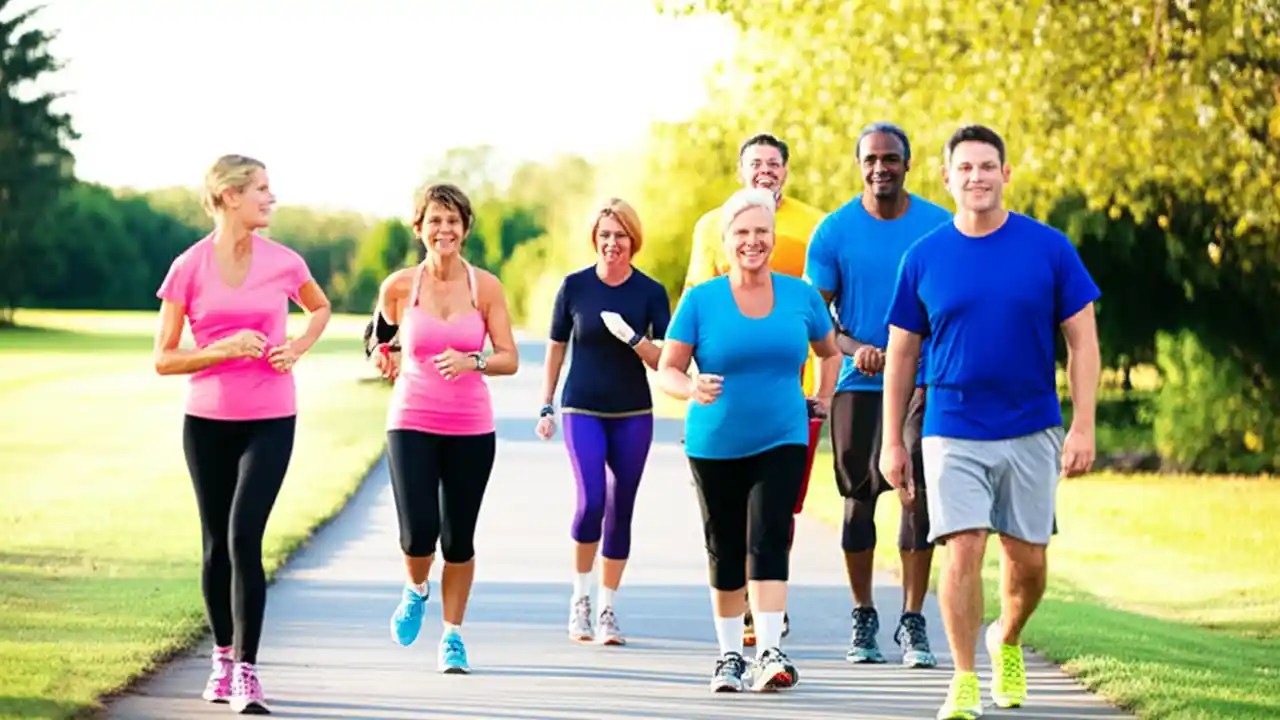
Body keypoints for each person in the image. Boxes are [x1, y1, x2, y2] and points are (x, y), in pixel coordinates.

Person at [880, 125, 1100, 720]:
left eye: (986, 166)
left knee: (1028, 560)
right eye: (965, 168)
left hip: (1032, 426)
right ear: (947, 179)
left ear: (1005, 175)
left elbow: (1082, 340)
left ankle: (1005, 636)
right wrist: (891, 440)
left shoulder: (1049, 248)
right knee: (963, 548)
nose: (975, 177)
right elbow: (901, 353)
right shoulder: (923, 256)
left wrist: (1083, 426)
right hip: (951, 426)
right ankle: (963, 677)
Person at [153, 154, 332, 714]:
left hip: (271, 418)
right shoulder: (188, 267)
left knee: (242, 537)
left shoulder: (284, 262)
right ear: (229, 196)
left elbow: (320, 307)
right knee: (214, 545)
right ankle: (222, 660)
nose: (270, 197)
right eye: (261, 188)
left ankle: (248, 672)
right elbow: (163, 358)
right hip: (206, 422)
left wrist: (297, 347)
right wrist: (220, 350)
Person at [659, 188, 841, 694]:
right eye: (742, 232)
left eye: (762, 231)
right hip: (714, 442)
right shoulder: (701, 300)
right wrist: (691, 386)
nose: (753, 241)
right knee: (724, 548)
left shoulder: (801, 296)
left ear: (774, 237)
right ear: (725, 241)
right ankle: (728, 657)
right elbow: (668, 369)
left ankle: (768, 651)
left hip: (782, 435)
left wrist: (822, 395)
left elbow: (830, 352)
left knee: (768, 539)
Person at [803, 122, 951, 668]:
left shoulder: (938, 226)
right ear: (859, 164)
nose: (880, 168)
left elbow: (951, 304)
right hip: (858, 384)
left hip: (924, 382)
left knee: (916, 498)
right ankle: (863, 615)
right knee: (857, 504)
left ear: (907, 164)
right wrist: (854, 345)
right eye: (870, 159)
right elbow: (816, 321)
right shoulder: (834, 231)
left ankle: (913, 620)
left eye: (890, 158)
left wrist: (924, 355)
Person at [683, 132, 828, 645]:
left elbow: (822, 318)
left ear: (786, 170)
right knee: (729, 531)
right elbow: (693, 310)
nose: (765, 169)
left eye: (774, 162)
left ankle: (768, 625)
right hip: (724, 404)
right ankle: (742, 622)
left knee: (775, 515)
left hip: (790, 398)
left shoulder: (814, 224)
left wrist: (823, 393)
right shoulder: (710, 228)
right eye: (755, 162)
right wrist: (692, 382)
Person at [369, 183, 519, 674]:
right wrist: (380, 356)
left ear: (465, 228)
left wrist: (474, 360)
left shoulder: (485, 287)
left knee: (458, 540)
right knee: (418, 534)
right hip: (411, 419)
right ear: (419, 229)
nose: (444, 229)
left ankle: (452, 636)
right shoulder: (399, 286)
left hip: (471, 427)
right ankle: (416, 588)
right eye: (435, 220)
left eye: (453, 221)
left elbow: (508, 358)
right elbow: (378, 338)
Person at [535, 198, 672, 646]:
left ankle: (609, 607)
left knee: (621, 508)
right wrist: (546, 403)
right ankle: (581, 599)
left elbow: (665, 362)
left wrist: (632, 338)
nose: (613, 243)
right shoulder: (574, 287)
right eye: (605, 235)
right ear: (595, 238)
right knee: (591, 501)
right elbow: (556, 347)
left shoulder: (650, 292)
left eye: (621, 235)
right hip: (582, 408)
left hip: (633, 411)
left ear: (634, 240)